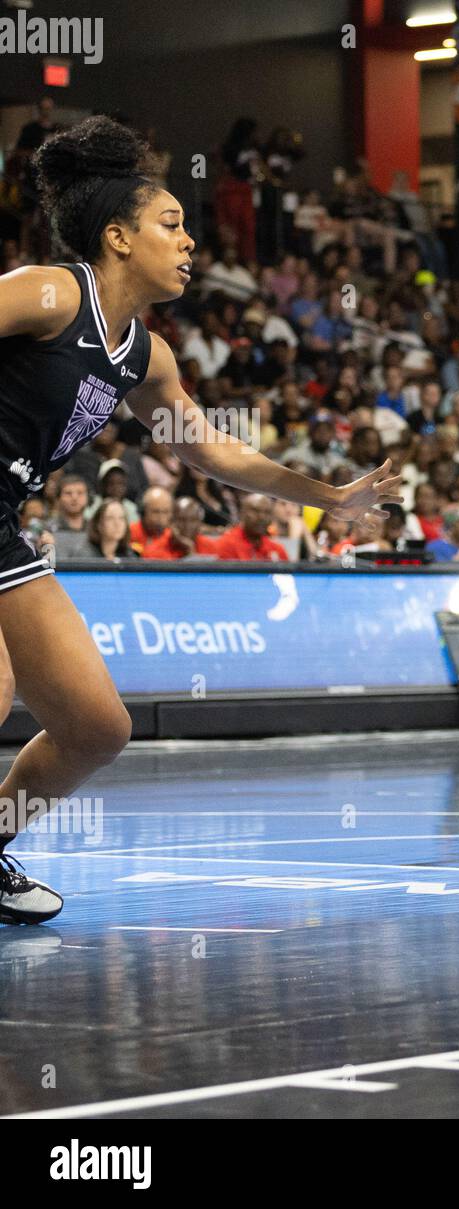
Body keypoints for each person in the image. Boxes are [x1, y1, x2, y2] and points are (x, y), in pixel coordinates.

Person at [0, 116, 400, 923]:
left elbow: (212, 452)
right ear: (117, 237)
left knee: (95, 726)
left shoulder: (146, 358)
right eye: (172, 225)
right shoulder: (51, 291)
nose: (190, 243)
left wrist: (328, 495)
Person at [214, 494, 290, 561]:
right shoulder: (226, 545)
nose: (262, 517)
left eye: (267, 512)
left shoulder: (277, 550)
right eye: (255, 511)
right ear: (242, 512)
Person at [141, 496, 220, 559]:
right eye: (182, 520)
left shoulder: (211, 548)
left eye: (192, 520)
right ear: (171, 522)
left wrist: (190, 550)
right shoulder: (153, 551)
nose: (187, 526)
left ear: (200, 523)